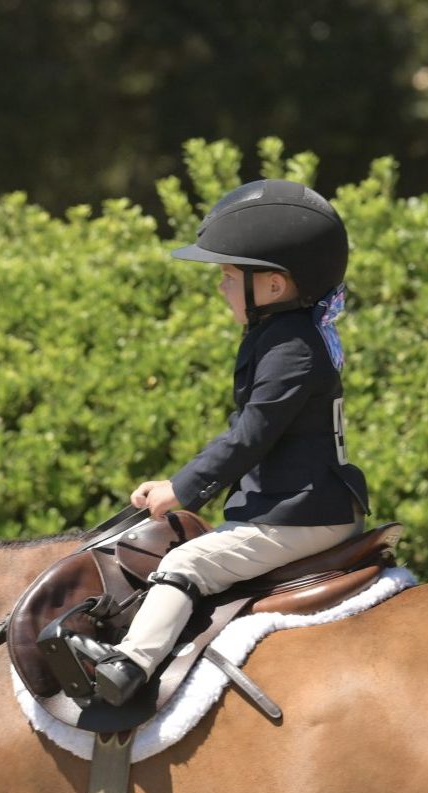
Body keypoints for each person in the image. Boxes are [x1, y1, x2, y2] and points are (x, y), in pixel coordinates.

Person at [69, 178, 372, 706]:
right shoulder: (283, 335)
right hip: (295, 505)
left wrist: (181, 489)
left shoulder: (291, 347)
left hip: (302, 514)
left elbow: (251, 433)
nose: (220, 287)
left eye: (230, 276)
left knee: (185, 564)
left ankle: (127, 667)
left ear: (273, 285)